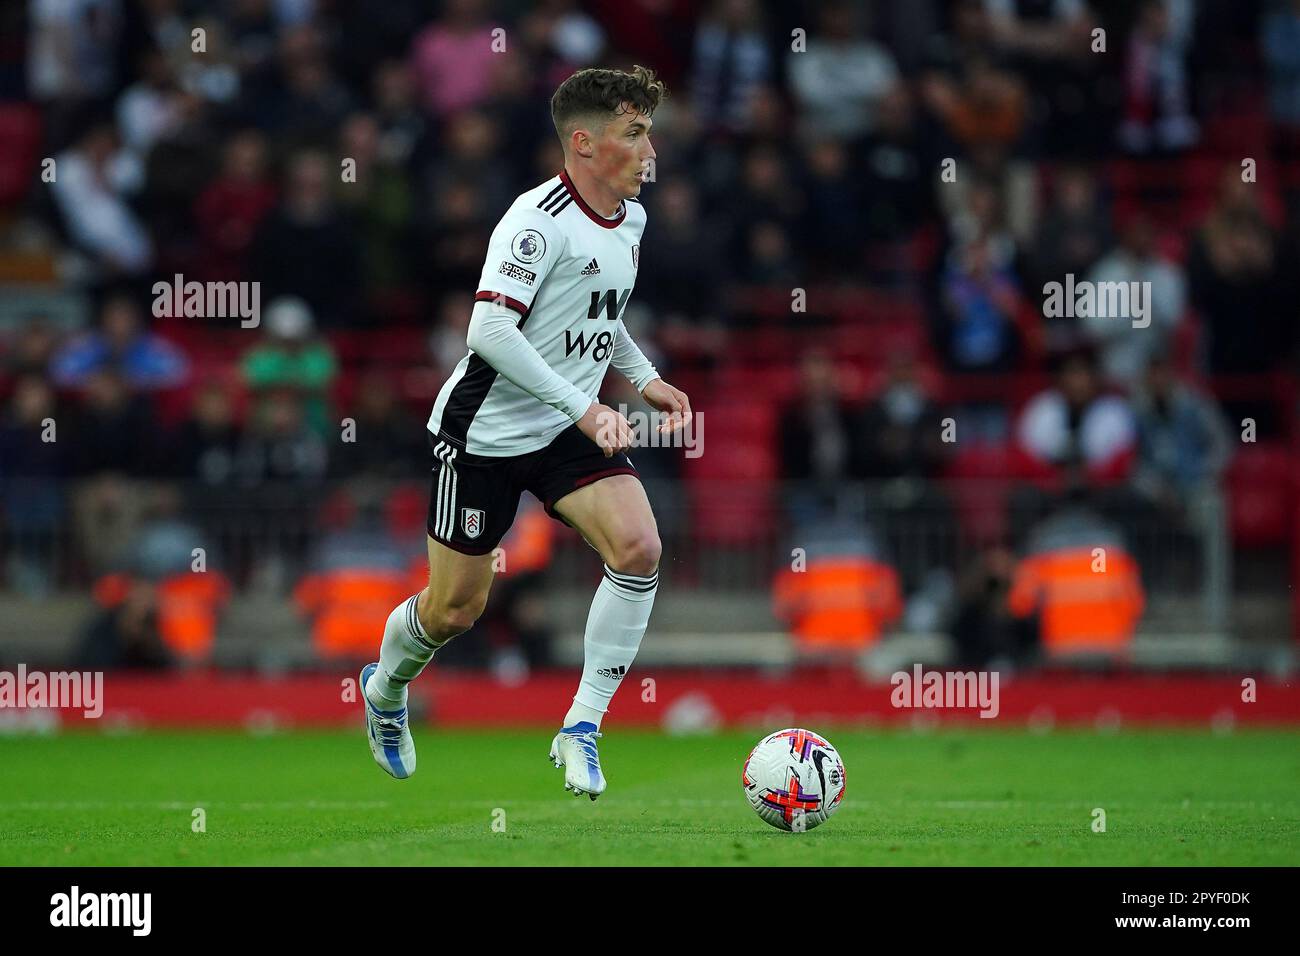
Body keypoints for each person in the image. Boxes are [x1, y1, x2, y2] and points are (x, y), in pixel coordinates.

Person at [360, 66, 692, 801]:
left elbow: (596, 312)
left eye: (647, 132)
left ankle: (581, 727)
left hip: (565, 421)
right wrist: (583, 406)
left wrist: (642, 377)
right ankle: (384, 690)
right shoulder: (534, 221)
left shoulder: (631, 217)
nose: (649, 149)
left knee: (639, 546)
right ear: (584, 143)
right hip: (483, 432)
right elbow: (489, 329)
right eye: (634, 134)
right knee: (456, 610)